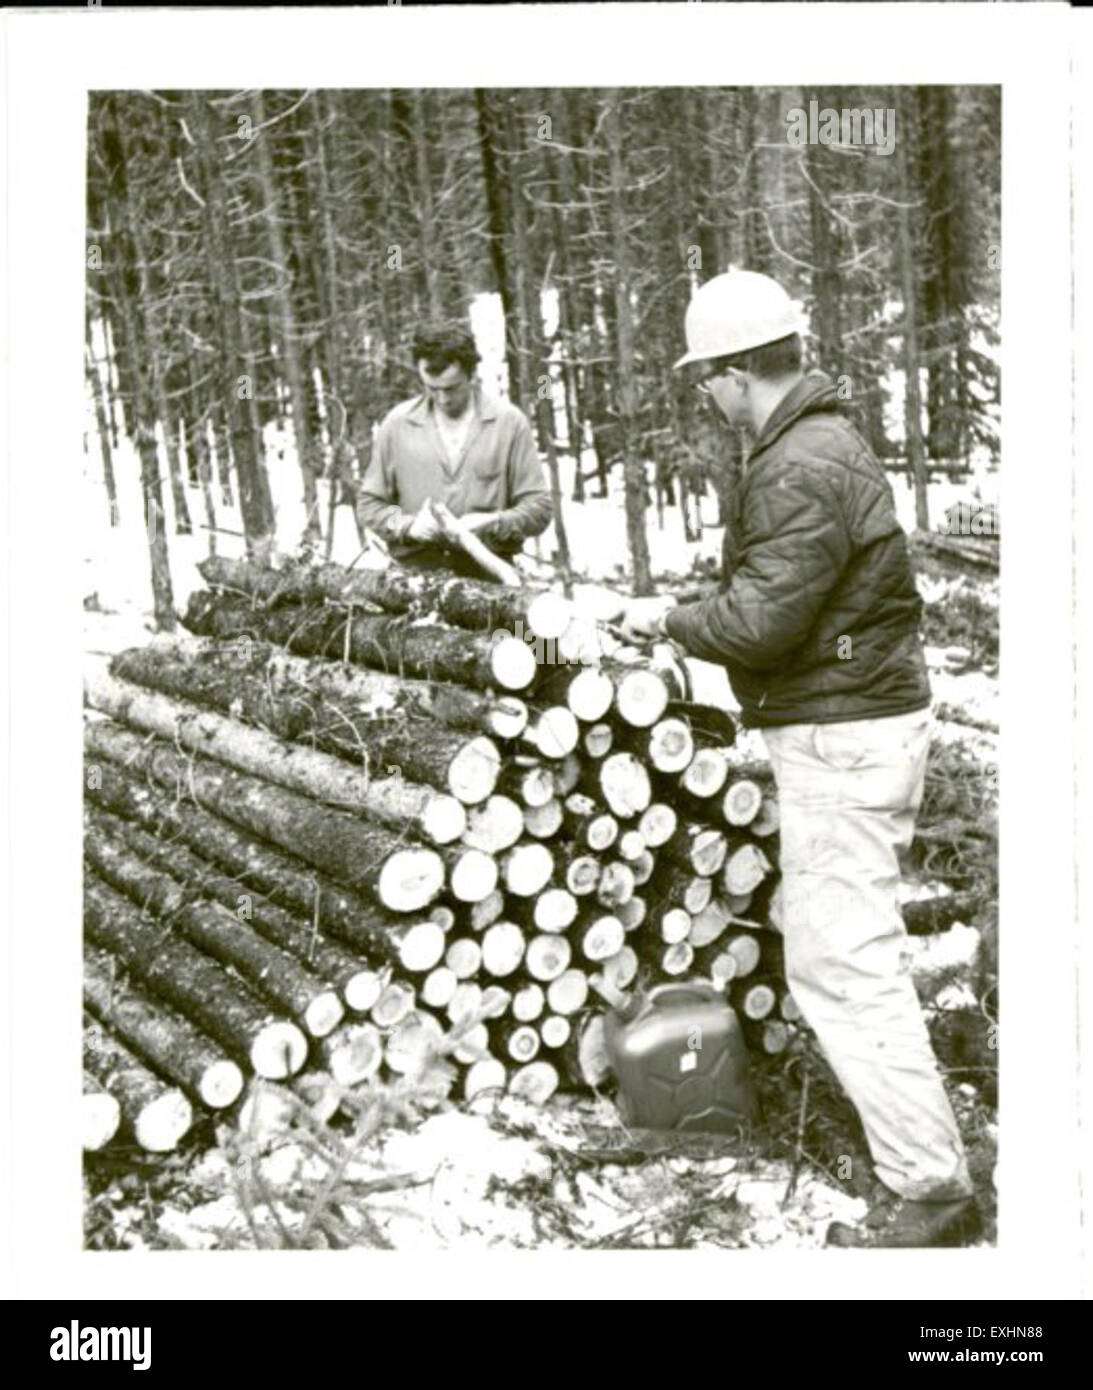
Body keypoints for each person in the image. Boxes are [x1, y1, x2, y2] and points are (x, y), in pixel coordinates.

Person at [619, 270, 980, 1249]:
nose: (704, 395)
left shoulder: (796, 461)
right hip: (849, 723)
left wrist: (671, 617)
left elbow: (764, 622)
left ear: (739, 373)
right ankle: (923, 1158)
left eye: (707, 378)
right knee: (835, 951)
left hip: (842, 736)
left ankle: (929, 1183)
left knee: (843, 967)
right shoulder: (812, 445)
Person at [356, 322, 552, 580]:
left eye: (452, 388)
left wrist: (493, 522)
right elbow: (370, 507)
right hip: (414, 579)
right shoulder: (397, 425)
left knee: (518, 622)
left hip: (490, 576)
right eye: (432, 388)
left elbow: (538, 510)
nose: (442, 399)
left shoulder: (509, 424)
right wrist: (408, 526)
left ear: (471, 375)